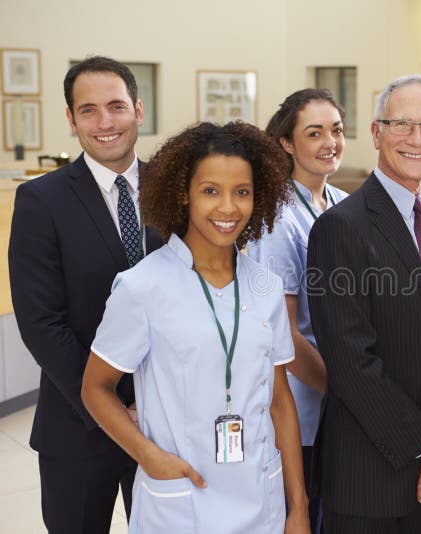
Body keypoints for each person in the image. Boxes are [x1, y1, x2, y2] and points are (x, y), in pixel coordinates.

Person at [81, 122, 310, 533]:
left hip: (262, 497)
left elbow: (279, 400)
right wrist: (149, 457)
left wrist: (299, 507)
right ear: (182, 194)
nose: (228, 208)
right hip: (182, 500)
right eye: (210, 191)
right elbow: (95, 388)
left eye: (242, 191)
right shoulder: (143, 286)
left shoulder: (266, 287)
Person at [306, 74, 421, 534]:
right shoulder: (341, 228)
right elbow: (350, 361)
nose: (417, 139)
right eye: (402, 124)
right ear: (377, 133)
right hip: (367, 476)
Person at [8, 56, 162, 534]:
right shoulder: (41, 201)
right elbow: (40, 322)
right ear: (72, 120)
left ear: (138, 110)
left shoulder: (178, 189)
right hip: (78, 424)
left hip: (167, 418)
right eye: (89, 110)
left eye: (116, 106)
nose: (105, 122)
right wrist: (110, 406)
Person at [249, 88, 348, 533]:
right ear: (287, 143)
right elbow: (283, 333)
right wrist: (346, 391)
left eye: (336, 129)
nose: (330, 141)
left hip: (341, 406)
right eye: (315, 132)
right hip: (304, 410)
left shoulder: (343, 204)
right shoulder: (276, 220)